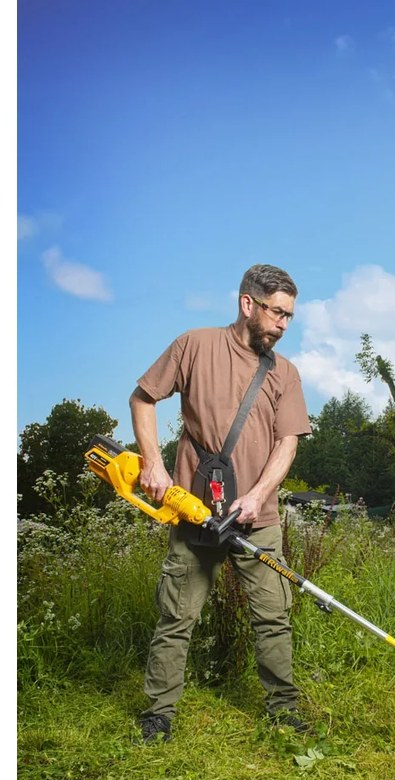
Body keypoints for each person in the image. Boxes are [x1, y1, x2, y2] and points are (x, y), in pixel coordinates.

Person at [129, 264, 312, 743]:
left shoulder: (285, 373)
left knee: (273, 617)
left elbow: (287, 442)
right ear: (247, 304)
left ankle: (283, 710)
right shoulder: (194, 346)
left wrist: (257, 495)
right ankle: (159, 714)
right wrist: (153, 463)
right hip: (194, 510)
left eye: (290, 317)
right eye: (276, 312)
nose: (283, 324)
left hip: (259, 519)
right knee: (177, 617)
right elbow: (143, 398)